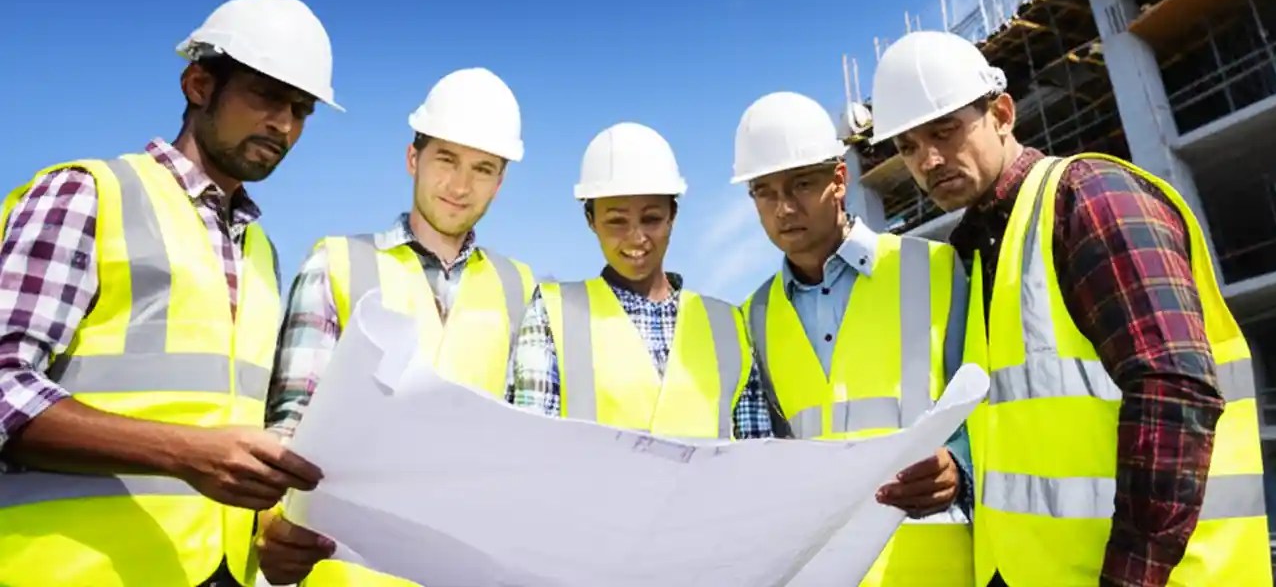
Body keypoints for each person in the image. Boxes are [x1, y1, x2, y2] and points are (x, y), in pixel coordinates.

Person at [869, 29, 1271, 587]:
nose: (929, 161)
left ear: (1002, 114)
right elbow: (1030, 433)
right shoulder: (982, 251)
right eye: (908, 147)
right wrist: (959, 478)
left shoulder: (1090, 197)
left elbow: (1174, 393)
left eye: (944, 130)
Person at [0, 0, 339, 587]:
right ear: (199, 84)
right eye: (264, 95)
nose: (282, 123)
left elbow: (231, 429)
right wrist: (186, 454)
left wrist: (268, 532)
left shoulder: (261, 254)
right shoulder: (90, 194)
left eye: (301, 109)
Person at [256, 67, 536, 587]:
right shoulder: (336, 262)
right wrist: (271, 525)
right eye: (446, 160)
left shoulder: (520, 287)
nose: (459, 185)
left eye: (482, 168)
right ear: (413, 159)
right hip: (348, 571)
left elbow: (530, 440)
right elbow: (291, 423)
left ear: (500, 182)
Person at [732, 91, 975, 585]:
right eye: (765, 192)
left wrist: (962, 468)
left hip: (935, 562)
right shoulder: (752, 315)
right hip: (825, 568)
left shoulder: (934, 268)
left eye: (801, 184)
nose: (784, 208)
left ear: (839, 179)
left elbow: (995, 407)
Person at [508, 122, 774, 441]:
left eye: (651, 219)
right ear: (590, 220)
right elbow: (532, 443)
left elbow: (755, 454)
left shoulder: (729, 324)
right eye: (617, 221)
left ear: (672, 215)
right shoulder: (552, 311)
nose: (637, 237)